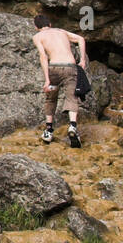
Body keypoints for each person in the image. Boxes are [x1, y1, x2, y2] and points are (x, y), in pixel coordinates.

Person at [32, 13, 88, 147]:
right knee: (72, 97)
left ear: (36, 27)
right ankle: (73, 127)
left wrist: (47, 80)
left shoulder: (37, 36)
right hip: (70, 67)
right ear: (50, 25)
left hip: (54, 68)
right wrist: (82, 60)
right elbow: (81, 39)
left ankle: (49, 130)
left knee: (51, 98)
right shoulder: (61, 32)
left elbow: (43, 57)